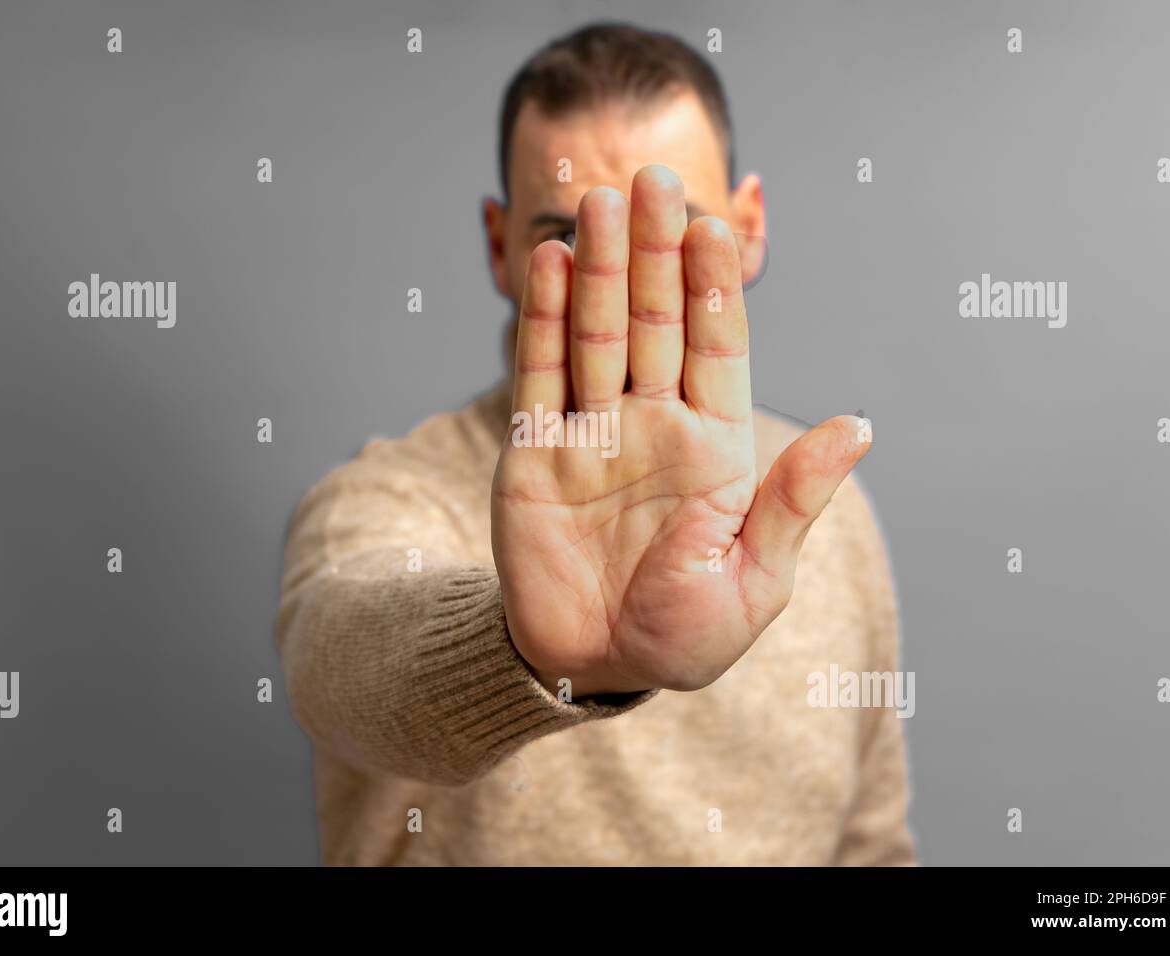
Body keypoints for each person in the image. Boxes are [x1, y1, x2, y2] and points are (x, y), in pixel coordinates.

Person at [276, 21, 915, 865]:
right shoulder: (387, 497)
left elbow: (872, 848)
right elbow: (338, 677)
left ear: (748, 226)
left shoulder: (819, 512)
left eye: (669, 228)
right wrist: (525, 649)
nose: (611, 270)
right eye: (562, 234)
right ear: (498, 246)